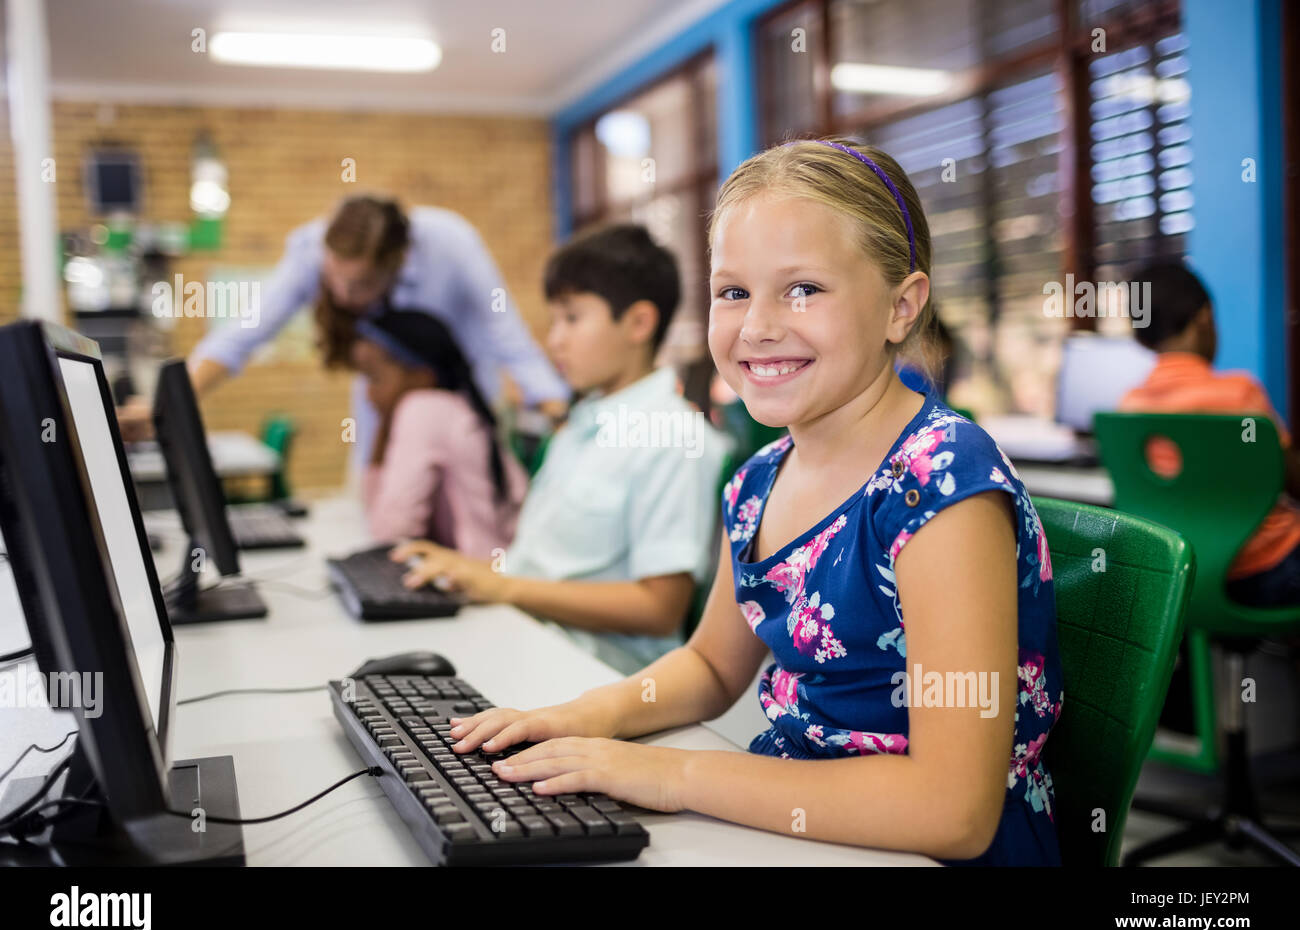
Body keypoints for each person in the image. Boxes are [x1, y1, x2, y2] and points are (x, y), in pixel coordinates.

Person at [438, 139, 1064, 865]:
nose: (757, 325)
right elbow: (709, 667)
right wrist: (585, 717)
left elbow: (952, 810)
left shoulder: (942, 482)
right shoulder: (759, 478)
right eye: (733, 291)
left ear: (901, 305)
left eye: (803, 289)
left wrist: (675, 773)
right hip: (790, 821)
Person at [393, 223, 729, 675]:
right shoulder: (579, 424)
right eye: (554, 320)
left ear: (638, 323)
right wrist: (476, 577)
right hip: (524, 637)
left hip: (591, 673)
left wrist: (503, 587)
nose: (555, 340)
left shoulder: (673, 439)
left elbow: (659, 609)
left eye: (572, 318)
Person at [122, 196, 569, 462]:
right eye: (334, 280)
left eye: (360, 286)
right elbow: (244, 331)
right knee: (382, 509)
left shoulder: (451, 243)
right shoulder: (313, 248)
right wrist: (173, 403)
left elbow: (509, 336)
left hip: (461, 406)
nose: (342, 296)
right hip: (382, 411)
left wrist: (558, 415)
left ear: (396, 267)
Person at [1119, 260, 1300, 607]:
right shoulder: (1240, 394)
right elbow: (1291, 479)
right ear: (1204, 319)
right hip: (1265, 572)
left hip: (1179, 575)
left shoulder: (1129, 406)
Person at [351, 309, 527, 558]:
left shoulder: (424, 408)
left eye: (375, 378)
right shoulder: (450, 406)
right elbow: (377, 521)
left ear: (422, 377)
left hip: (494, 576)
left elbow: (389, 533)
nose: (368, 394)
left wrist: (383, 429)